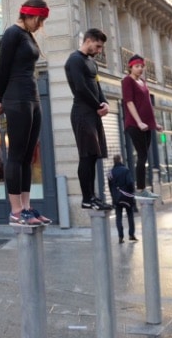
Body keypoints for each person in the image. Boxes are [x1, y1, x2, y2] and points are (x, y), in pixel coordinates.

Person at [0, 0, 52, 226]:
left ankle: (27, 207)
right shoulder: (12, 34)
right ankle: (16, 210)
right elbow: (2, 70)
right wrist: (2, 100)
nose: (40, 25)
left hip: (32, 97)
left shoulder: (27, 35)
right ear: (29, 15)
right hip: (17, 97)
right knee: (16, 155)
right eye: (39, 20)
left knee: (28, 156)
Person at [64, 28, 113, 210]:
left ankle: (93, 196)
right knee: (86, 155)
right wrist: (98, 106)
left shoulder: (92, 62)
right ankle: (87, 199)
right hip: (82, 113)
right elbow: (81, 88)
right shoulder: (74, 60)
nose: (99, 50)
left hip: (93, 113)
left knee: (93, 156)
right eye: (98, 46)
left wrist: (105, 103)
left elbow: (97, 85)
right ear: (88, 41)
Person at [122, 54, 159, 199]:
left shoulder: (143, 82)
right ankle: (141, 189)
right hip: (135, 124)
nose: (140, 68)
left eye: (142, 66)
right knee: (142, 155)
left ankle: (143, 188)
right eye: (137, 66)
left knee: (145, 155)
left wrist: (155, 124)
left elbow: (147, 104)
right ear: (130, 67)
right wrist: (138, 122)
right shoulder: (127, 81)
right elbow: (129, 102)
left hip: (147, 124)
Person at [108, 155, 137, 243]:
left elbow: (110, 187)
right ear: (120, 160)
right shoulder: (126, 170)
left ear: (114, 161)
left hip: (117, 198)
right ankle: (131, 235)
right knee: (130, 215)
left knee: (118, 217)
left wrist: (113, 197)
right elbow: (130, 183)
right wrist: (131, 192)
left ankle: (120, 237)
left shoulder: (111, 172)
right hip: (127, 196)